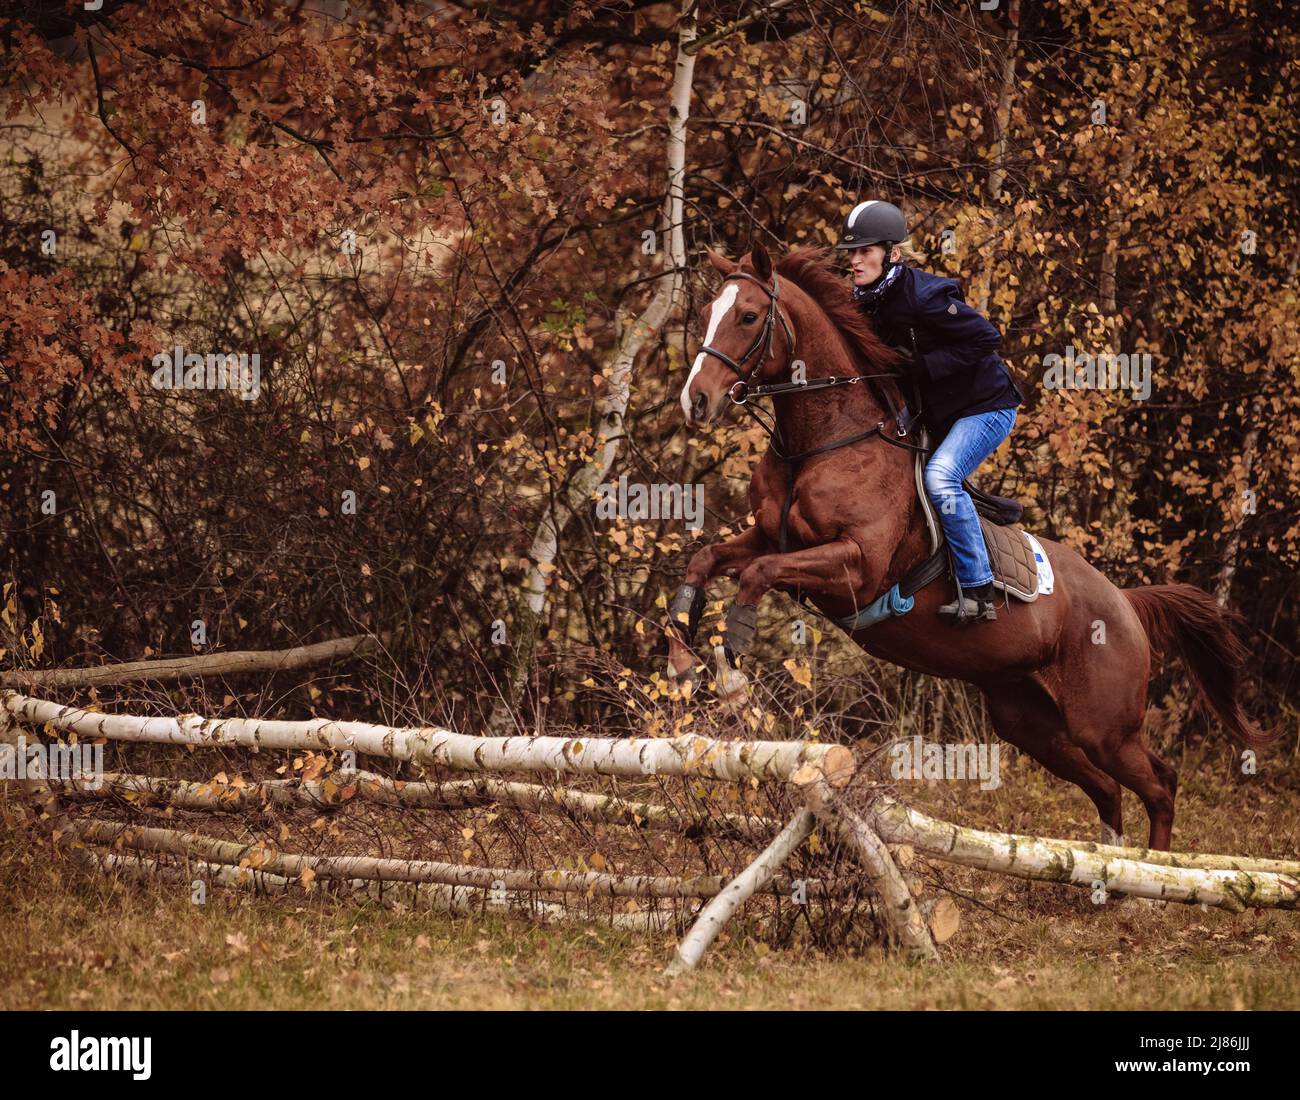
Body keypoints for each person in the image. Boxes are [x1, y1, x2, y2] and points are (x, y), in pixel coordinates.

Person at [835, 200, 1024, 624]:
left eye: (865, 250)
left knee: (940, 478)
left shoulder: (927, 296)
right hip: (936, 413)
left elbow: (986, 338)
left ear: (893, 254)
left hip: (985, 408)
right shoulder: (866, 302)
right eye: (852, 252)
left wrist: (921, 368)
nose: (855, 259)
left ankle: (978, 591)